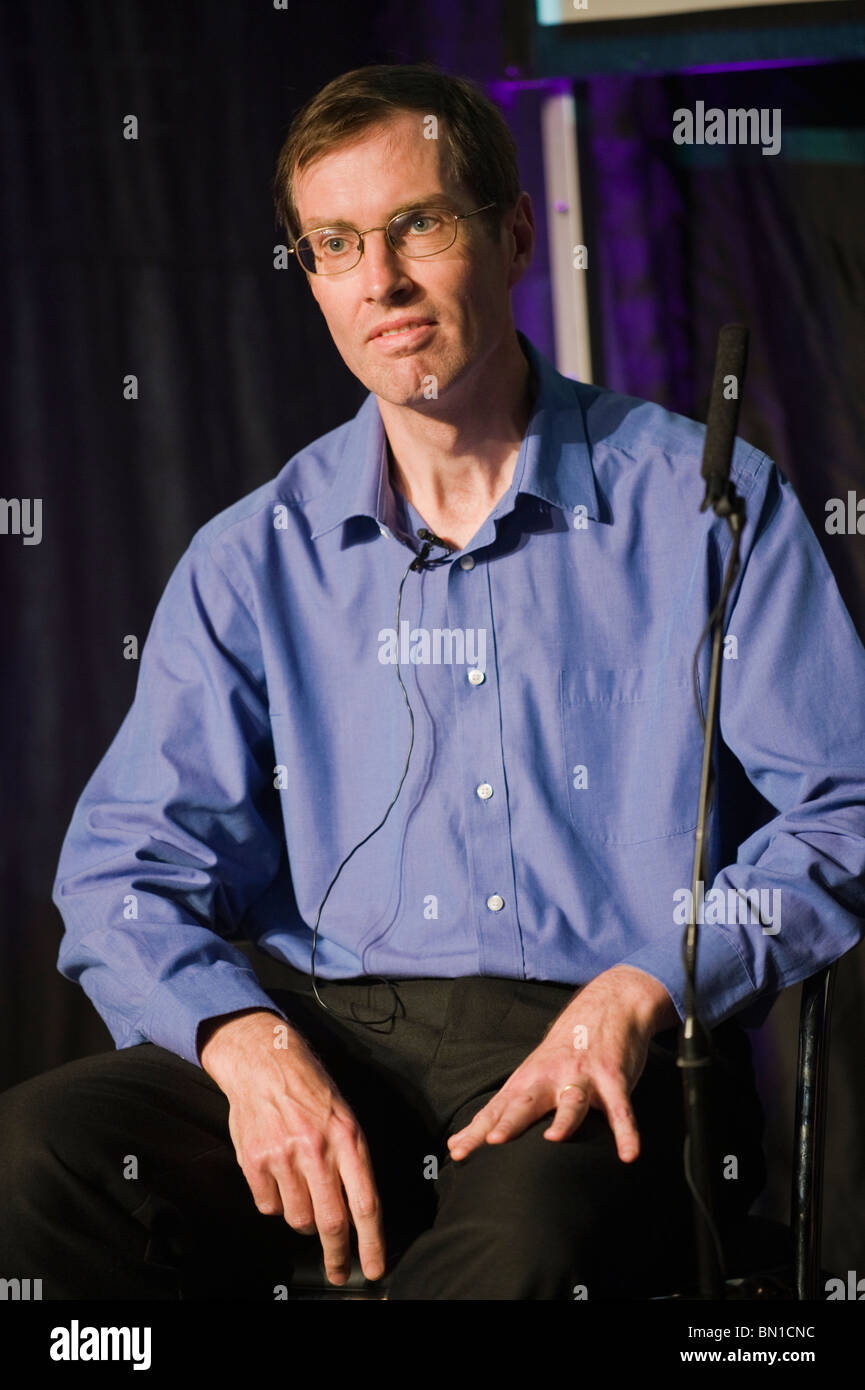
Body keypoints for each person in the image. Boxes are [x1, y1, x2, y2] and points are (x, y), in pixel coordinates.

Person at [2, 62, 864, 1302]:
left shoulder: (704, 507)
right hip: (331, 1031)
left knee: (513, 1263)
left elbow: (843, 805)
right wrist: (242, 1042)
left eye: (418, 225)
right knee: (37, 1164)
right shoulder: (253, 557)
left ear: (513, 233)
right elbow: (121, 872)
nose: (381, 282)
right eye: (335, 244)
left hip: (596, 1043)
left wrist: (656, 983)